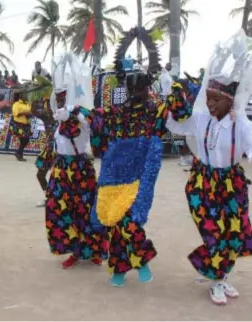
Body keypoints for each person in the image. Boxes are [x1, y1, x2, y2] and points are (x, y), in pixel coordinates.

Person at [79, 29, 194, 286]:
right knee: (114, 221)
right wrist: (76, 110)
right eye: (132, 86)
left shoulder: (156, 111)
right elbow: (95, 118)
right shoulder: (118, 112)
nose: (136, 91)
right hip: (114, 173)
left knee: (129, 219)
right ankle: (120, 268)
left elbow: (182, 113)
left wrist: (173, 86)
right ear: (126, 87)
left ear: (147, 86)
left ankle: (140, 261)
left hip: (141, 172)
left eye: (141, 86)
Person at [166, 30, 252, 305]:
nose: (211, 105)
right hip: (203, 183)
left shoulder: (242, 125)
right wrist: (170, 94)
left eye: (216, 100)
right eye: (209, 99)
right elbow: (176, 124)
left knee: (233, 234)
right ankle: (216, 280)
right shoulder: (202, 119)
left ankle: (221, 277)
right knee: (214, 233)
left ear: (230, 99)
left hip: (231, 184)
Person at [47, 53, 108, 269]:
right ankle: (73, 249)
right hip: (62, 170)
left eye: (64, 98)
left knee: (86, 211)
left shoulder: (82, 118)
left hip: (81, 169)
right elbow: (56, 147)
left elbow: (96, 124)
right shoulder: (57, 121)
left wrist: (75, 111)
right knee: (61, 210)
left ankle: (92, 251)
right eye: (59, 99)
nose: (61, 102)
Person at [30, 76, 57, 207]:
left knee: (57, 176)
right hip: (51, 148)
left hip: (62, 150)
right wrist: (37, 94)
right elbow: (34, 111)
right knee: (41, 174)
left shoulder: (65, 113)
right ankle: (49, 197)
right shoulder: (47, 114)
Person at [10, 91, 32, 161]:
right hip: (19, 124)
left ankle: (18, 153)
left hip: (27, 124)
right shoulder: (16, 104)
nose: (26, 96)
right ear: (21, 96)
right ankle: (19, 154)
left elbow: (31, 112)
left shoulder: (28, 104)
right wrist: (25, 113)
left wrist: (29, 114)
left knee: (25, 140)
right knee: (24, 139)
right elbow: (16, 113)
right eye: (25, 95)